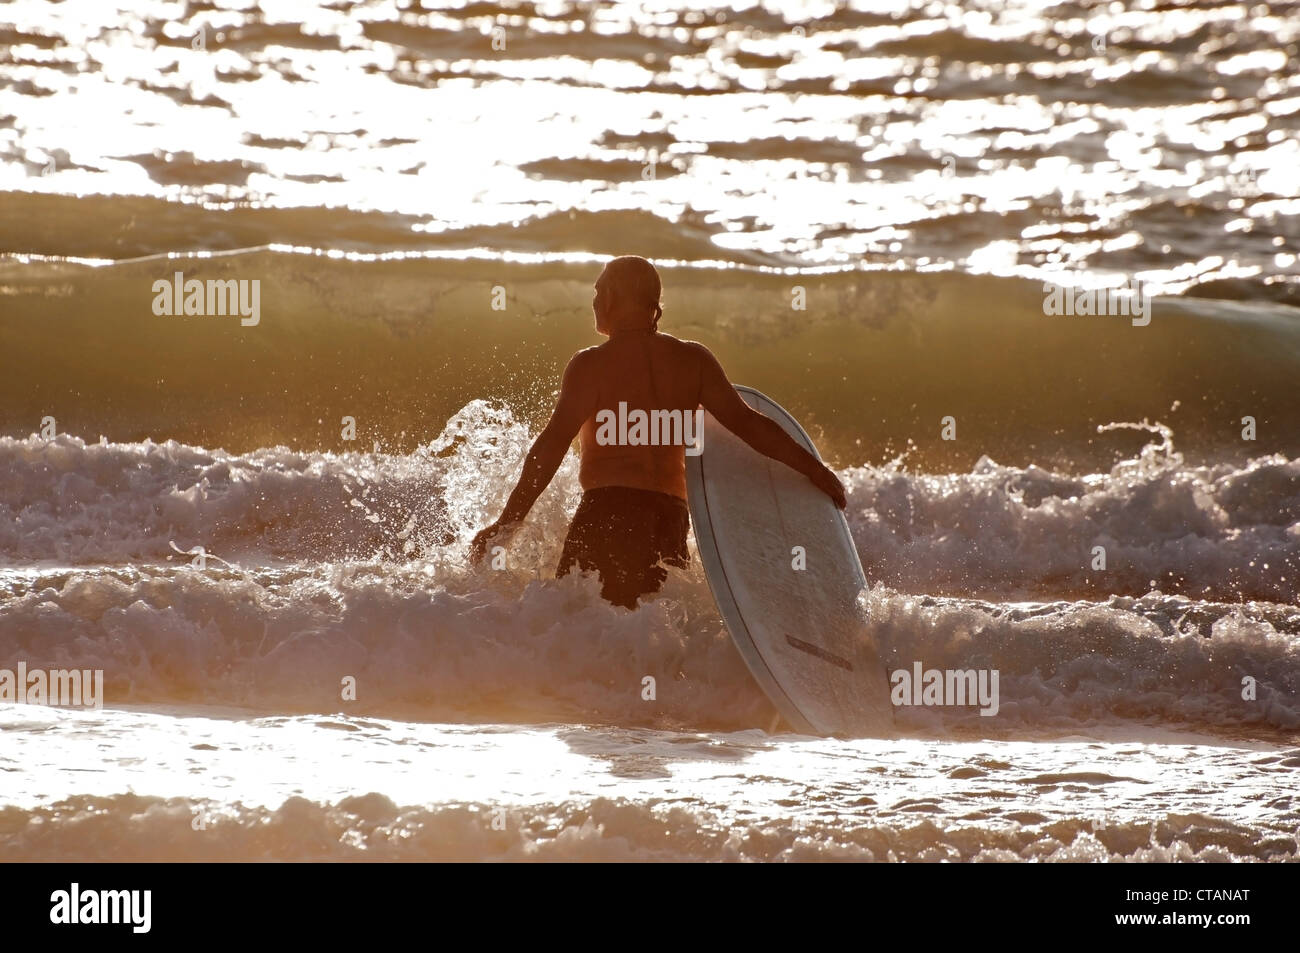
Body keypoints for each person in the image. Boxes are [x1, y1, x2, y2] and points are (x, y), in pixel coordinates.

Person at [470, 255, 846, 608]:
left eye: (599, 292)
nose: (595, 301)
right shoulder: (693, 360)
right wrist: (814, 469)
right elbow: (750, 425)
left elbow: (550, 447)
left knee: (585, 631)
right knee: (651, 636)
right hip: (668, 522)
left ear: (614, 296)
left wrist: (508, 523)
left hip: (608, 515)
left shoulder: (591, 365)